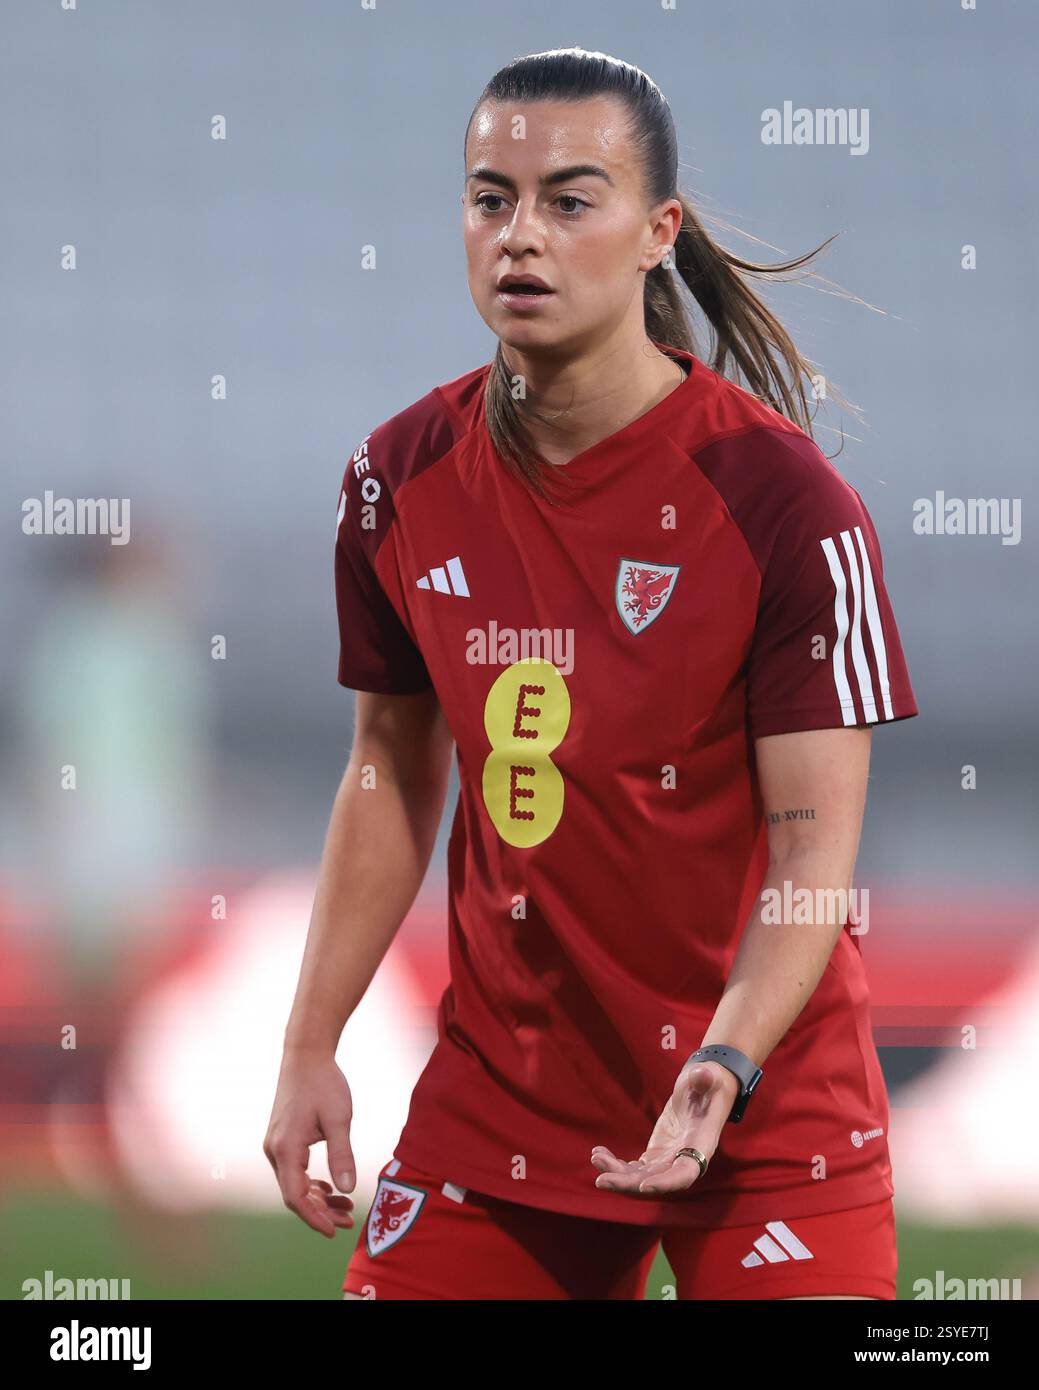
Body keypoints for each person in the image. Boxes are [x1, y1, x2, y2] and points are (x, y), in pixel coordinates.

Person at [264, 46, 919, 1301]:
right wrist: (310, 1043)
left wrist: (725, 1064)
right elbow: (390, 774)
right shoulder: (395, 480)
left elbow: (809, 858)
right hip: (505, 1102)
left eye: (570, 200)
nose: (520, 236)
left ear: (656, 231)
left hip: (760, 1107)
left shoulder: (786, 508)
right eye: (489, 198)